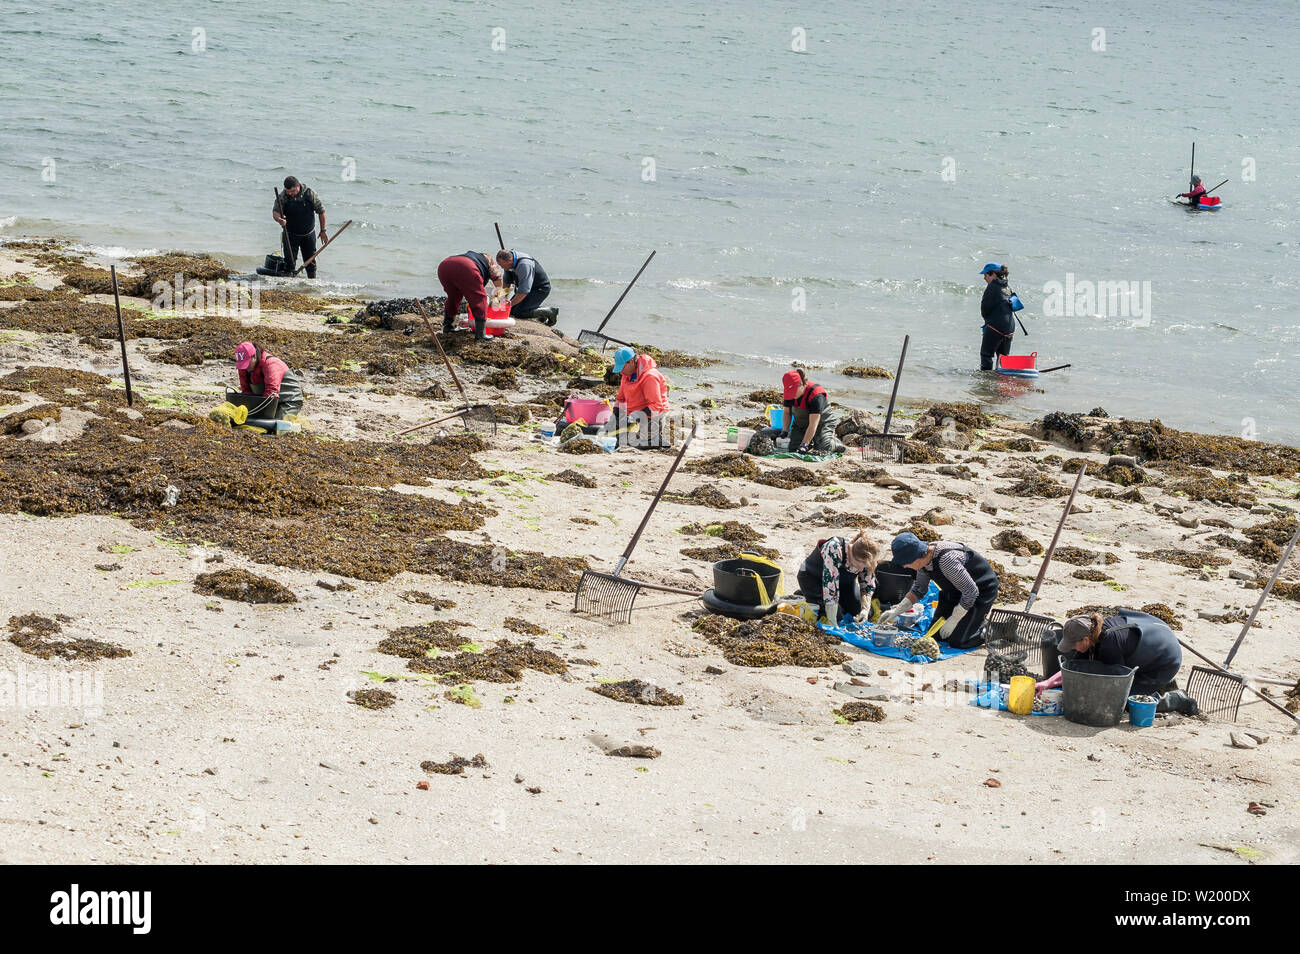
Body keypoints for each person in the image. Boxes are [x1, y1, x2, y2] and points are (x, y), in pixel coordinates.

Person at [1044, 609, 1198, 714]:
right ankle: (1160, 683)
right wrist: (1047, 683)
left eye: (1073, 645)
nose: (1073, 649)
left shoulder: (1110, 643)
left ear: (1085, 639)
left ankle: (1176, 699)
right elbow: (1074, 668)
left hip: (1166, 660)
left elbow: (1116, 685)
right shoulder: (1094, 632)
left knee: (1122, 703)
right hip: (1154, 648)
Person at [878, 532, 997, 649]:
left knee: (959, 641)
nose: (904, 567)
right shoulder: (923, 561)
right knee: (936, 636)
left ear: (916, 557)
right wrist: (897, 610)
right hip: (954, 592)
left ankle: (992, 629)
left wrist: (955, 619)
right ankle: (971, 623)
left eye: (905, 563)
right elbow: (919, 589)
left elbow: (971, 592)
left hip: (981, 591)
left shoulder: (947, 561)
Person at [795, 531, 879, 627]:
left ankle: (826, 601)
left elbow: (868, 585)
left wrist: (865, 609)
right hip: (813, 577)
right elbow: (830, 587)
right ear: (851, 552)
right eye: (857, 565)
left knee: (860, 612)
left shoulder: (867, 558)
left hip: (842, 582)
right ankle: (805, 595)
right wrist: (833, 622)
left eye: (863, 567)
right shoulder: (834, 548)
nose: (860, 570)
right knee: (838, 616)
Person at [759, 369, 846, 455]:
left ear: (802, 385)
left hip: (822, 423)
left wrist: (804, 444)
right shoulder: (789, 393)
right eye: (789, 392)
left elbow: (813, 425)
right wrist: (785, 431)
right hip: (801, 423)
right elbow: (787, 413)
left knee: (823, 448)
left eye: (793, 391)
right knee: (792, 447)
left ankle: (834, 443)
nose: (792, 395)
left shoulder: (816, 395)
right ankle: (811, 441)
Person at [605, 346, 672, 448]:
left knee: (628, 442)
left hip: (652, 418)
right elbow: (621, 399)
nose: (620, 372)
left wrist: (636, 416)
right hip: (632, 416)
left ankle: (657, 440)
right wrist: (616, 415)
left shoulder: (650, 377)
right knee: (609, 433)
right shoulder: (626, 374)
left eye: (622, 367)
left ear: (631, 361)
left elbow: (656, 407)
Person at [437, 251, 504, 341]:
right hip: (465, 266)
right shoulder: (490, 261)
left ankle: (448, 326)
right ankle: (481, 335)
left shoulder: (475, 257)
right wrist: (498, 294)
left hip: (445, 266)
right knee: (480, 299)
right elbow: (497, 277)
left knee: (453, 297)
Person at [272, 177, 327, 278]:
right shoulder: (283, 196)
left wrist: (323, 231)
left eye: (293, 191)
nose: (291, 194)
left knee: (310, 263)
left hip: (308, 234)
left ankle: (312, 284)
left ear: (298, 186)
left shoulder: (309, 194)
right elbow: (275, 211)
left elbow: (321, 211)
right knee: (289, 264)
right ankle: (288, 286)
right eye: (288, 191)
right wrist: (279, 219)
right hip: (290, 235)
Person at [234, 341, 305, 420]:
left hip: (289, 400)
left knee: (276, 427)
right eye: (242, 364)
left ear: (254, 356)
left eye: (246, 364)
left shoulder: (271, 364)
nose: (245, 368)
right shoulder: (243, 368)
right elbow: (246, 391)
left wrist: (263, 416)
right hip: (264, 399)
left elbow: (272, 392)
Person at [495, 249, 558, 325]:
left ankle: (549, 312)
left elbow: (524, 291)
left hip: (539, 289)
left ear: (510, 260)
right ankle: (538, 311)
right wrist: (501, 299)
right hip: (527, 289)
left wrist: (509, 304)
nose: (502, 268)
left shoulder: (524, 265)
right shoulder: (508, 265)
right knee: (511, 311)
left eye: (503, 265)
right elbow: (506, 284)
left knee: (520, 312)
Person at [979, 262, 1016, 371]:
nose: (984, 278)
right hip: (1010, 327)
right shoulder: (1007, 286)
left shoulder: (992, 286)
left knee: (986, 355)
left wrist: (987, 324)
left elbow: (985, 309)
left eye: (986, 275)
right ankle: (1002, 379)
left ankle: (986, 381)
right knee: (1003, 358)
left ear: (993, 274)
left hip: (996, 326)